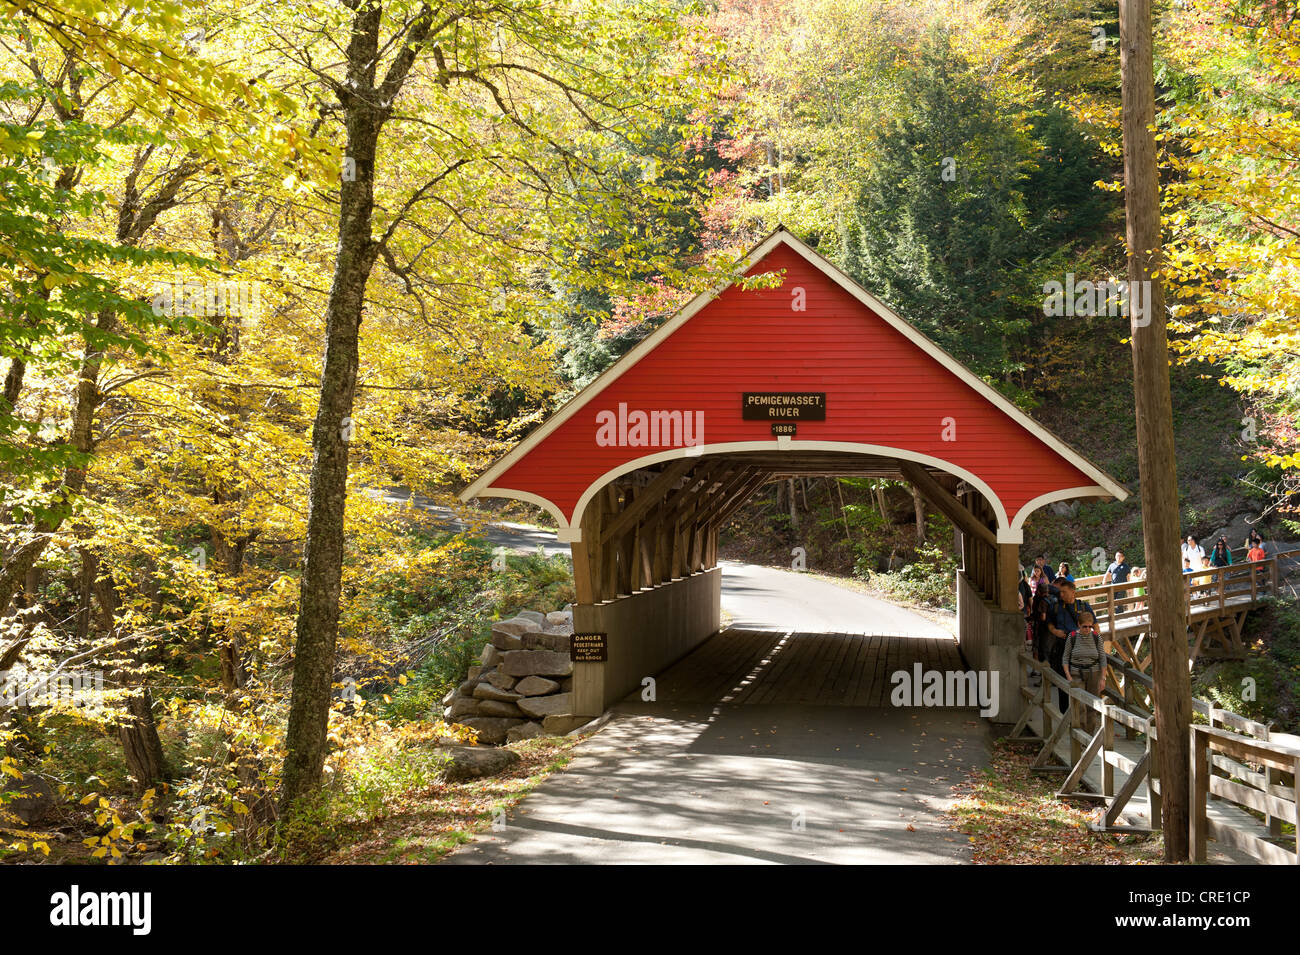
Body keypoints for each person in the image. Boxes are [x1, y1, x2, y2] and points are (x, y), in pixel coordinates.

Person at [1046, 579, 1093, 714]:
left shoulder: (1083, 607)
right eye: (1060, 592)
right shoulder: (1056, 607)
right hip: (1063, 647)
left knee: (1082, 681)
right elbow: (1049, 623)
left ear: (1073, 593)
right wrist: (1055, 632)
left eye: (1064, 592)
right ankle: (1065, 714)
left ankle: (1080, 715)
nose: (1061, 595)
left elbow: (1095, 626)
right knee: (1063, 682)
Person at [1061, 611, 1106, 733]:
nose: (1087, 629)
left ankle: (1089, 734)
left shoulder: (1097, 637)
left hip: (1094, 673)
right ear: (1078, 625)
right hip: (1076, 673)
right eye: (1084, 626)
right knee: (1080, 705)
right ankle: (1080, 735)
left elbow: (1102, 658)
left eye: (1090, 626)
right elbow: (1065, 657)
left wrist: (1103, 678)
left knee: (1092, 705)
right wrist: (1068, 676)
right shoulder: (1073, 636)